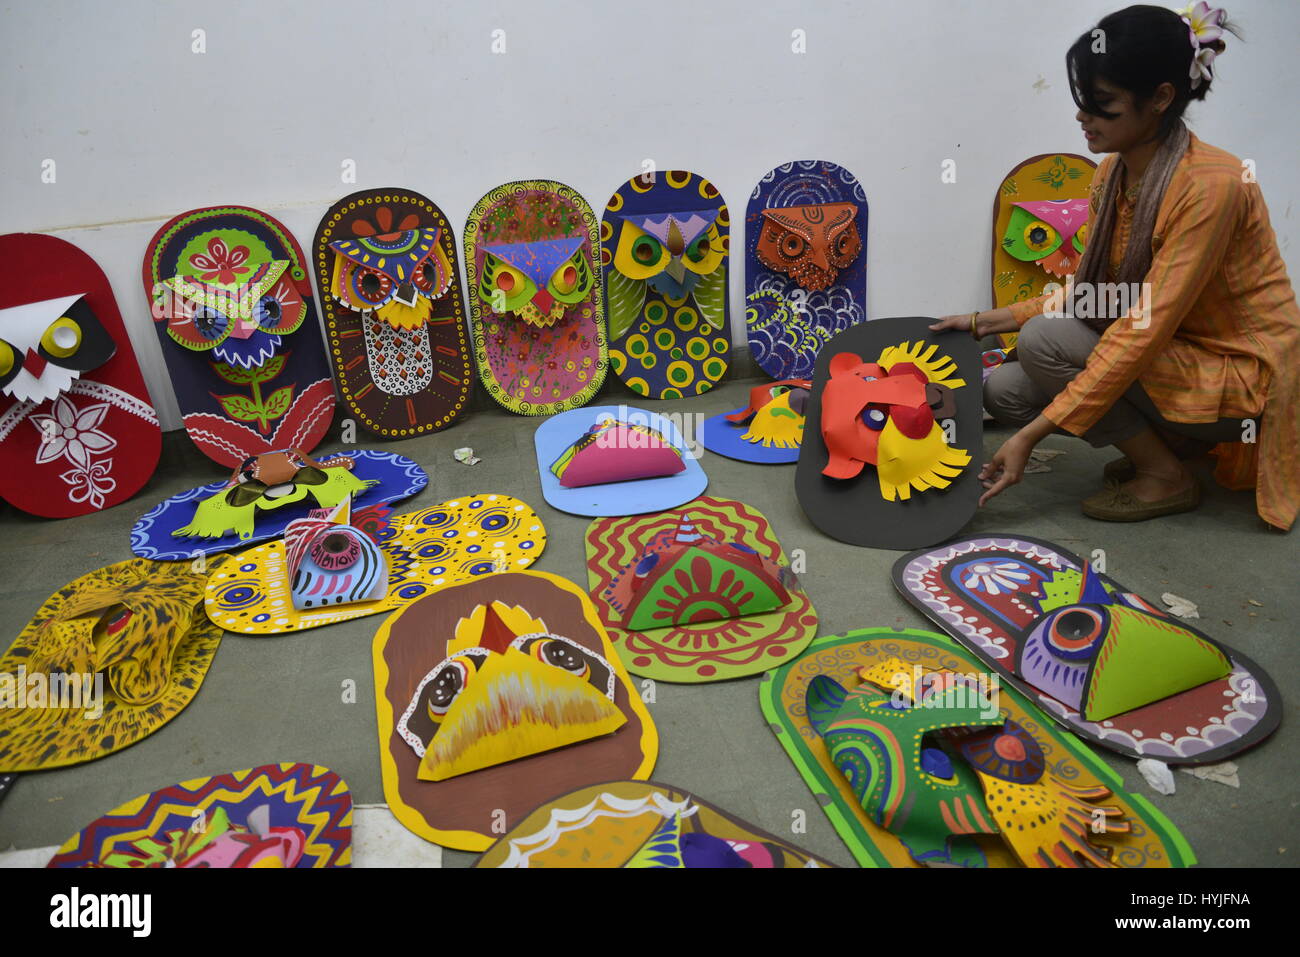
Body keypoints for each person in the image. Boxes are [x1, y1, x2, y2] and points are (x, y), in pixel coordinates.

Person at [933, 3, 1298, 530]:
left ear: (1161, 99)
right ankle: (1171, 447)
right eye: (1082, 101)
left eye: (1101, 104)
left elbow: (1142, 327)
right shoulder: (1112, 173)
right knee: (1003, 391)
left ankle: (1166, 475)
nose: (1083, 116)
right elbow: (1094, 296)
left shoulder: (1213, 185)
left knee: (1043, 343)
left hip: (1241, 375)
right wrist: (981, 322)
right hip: (1175, 352)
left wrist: (1030, 437)